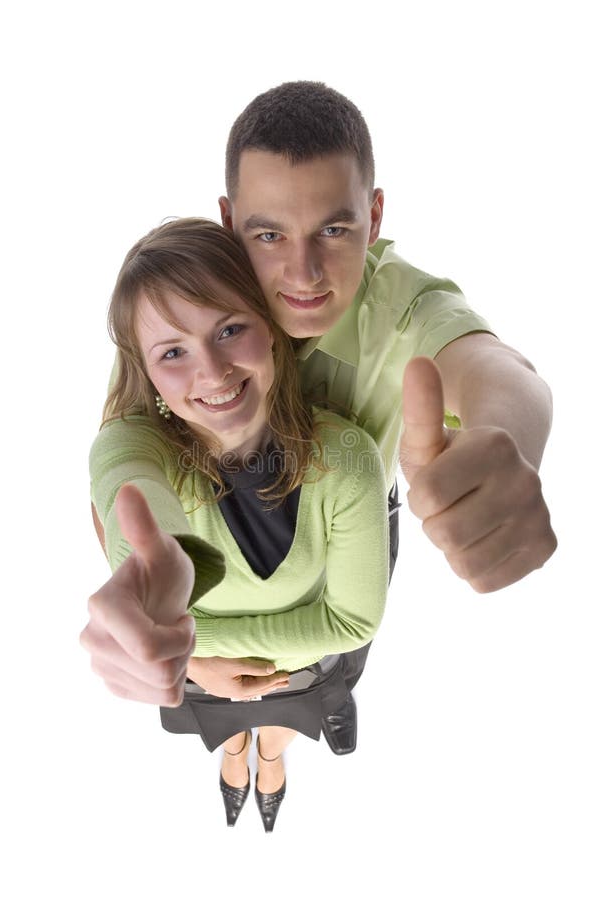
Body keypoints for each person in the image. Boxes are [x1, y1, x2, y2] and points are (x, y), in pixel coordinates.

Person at [83, 81, 556, 756]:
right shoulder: (184, 301)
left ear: (375, 213)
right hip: (212, 537)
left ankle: (283, 736)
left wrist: (507, 440)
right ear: (228, 221)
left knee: (328, 662)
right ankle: (245, 744)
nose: (302, 274)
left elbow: (499, 372)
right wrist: (188, 649)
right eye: (269, 233)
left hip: (350, 523)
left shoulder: (399, 306)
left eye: (334, 230)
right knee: (233, 691)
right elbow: (123, 458)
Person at [86, 217, 389, 831]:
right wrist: (165, 605)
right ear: (148, 374)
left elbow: (354, 621)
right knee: (228, 718)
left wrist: (201, 646)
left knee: (279, 720)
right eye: (173, 352)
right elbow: (130, 487)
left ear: (272, 330)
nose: (213, 371)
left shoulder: (349, 459)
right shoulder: (131, 446)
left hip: (290, 663)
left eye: (230, 329)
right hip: (215, 670)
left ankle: (271, 757)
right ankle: (233, 752)